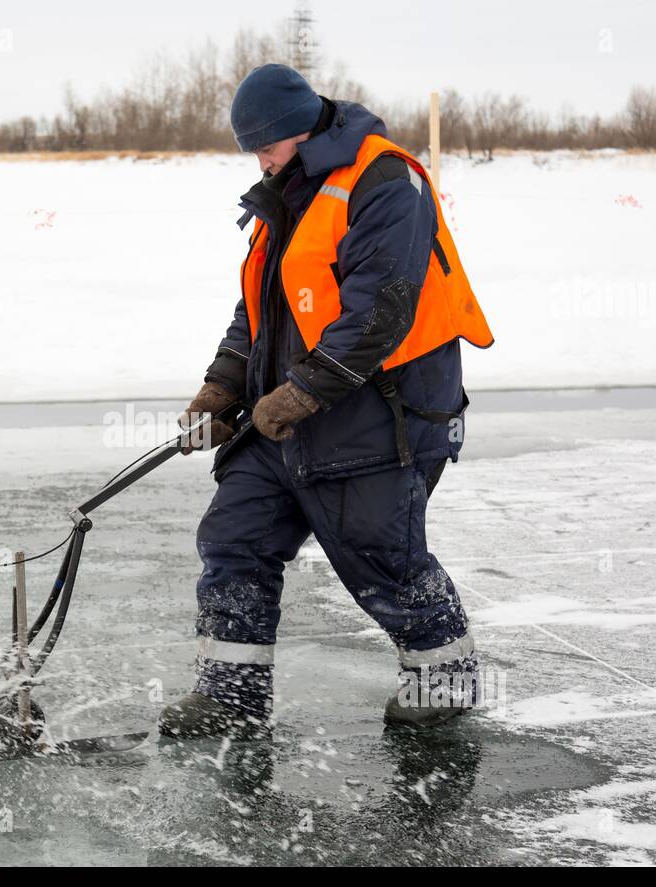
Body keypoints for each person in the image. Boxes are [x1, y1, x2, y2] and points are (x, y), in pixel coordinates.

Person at [161, 64, 494, 739]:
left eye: (267, 146)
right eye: (253, 149)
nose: (261, 160)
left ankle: (445, 680)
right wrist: (223, 387)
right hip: (285, 417)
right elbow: (257, 314)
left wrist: (303, 392)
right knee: (235, 537)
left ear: (299, 129)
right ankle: (232, 696)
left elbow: (380, 311)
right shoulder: (286, 197)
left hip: (381, 413)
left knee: (379, 554)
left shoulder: (384, 181)